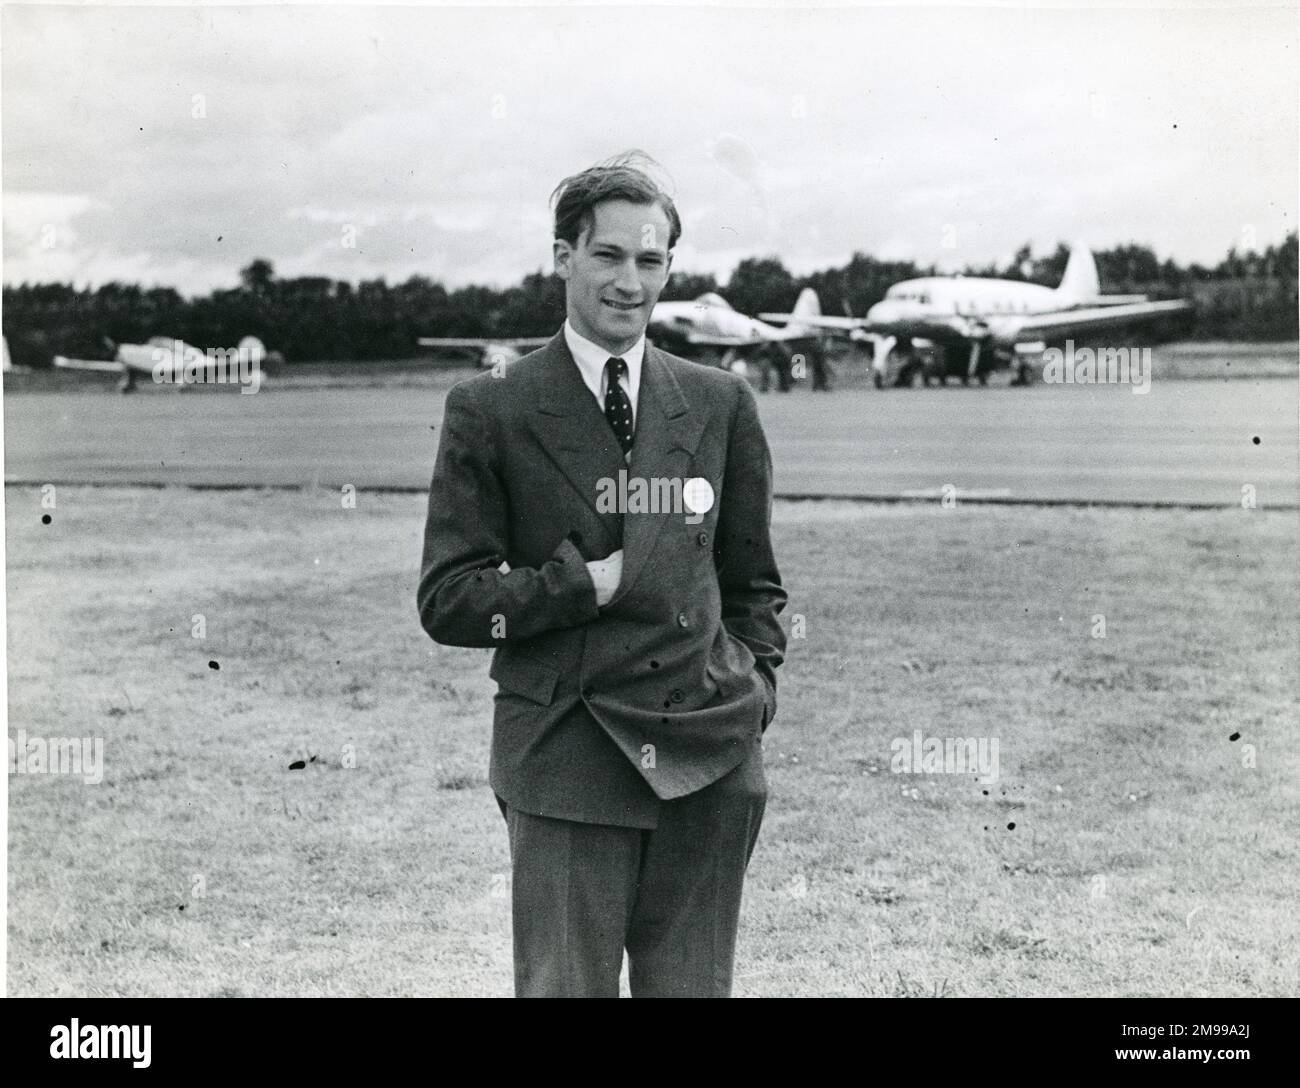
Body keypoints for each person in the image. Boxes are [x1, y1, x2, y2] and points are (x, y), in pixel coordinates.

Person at [416, 151, 787, 997]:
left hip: (710, 754)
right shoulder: (491, 405)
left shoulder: (720, 402)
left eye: (650, 260)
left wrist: (757, 689)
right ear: (563, 257)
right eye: (609, 255)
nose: (631, 281)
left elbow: (754, 580)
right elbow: (447, 599)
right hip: (567, 759)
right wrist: (583, 586)